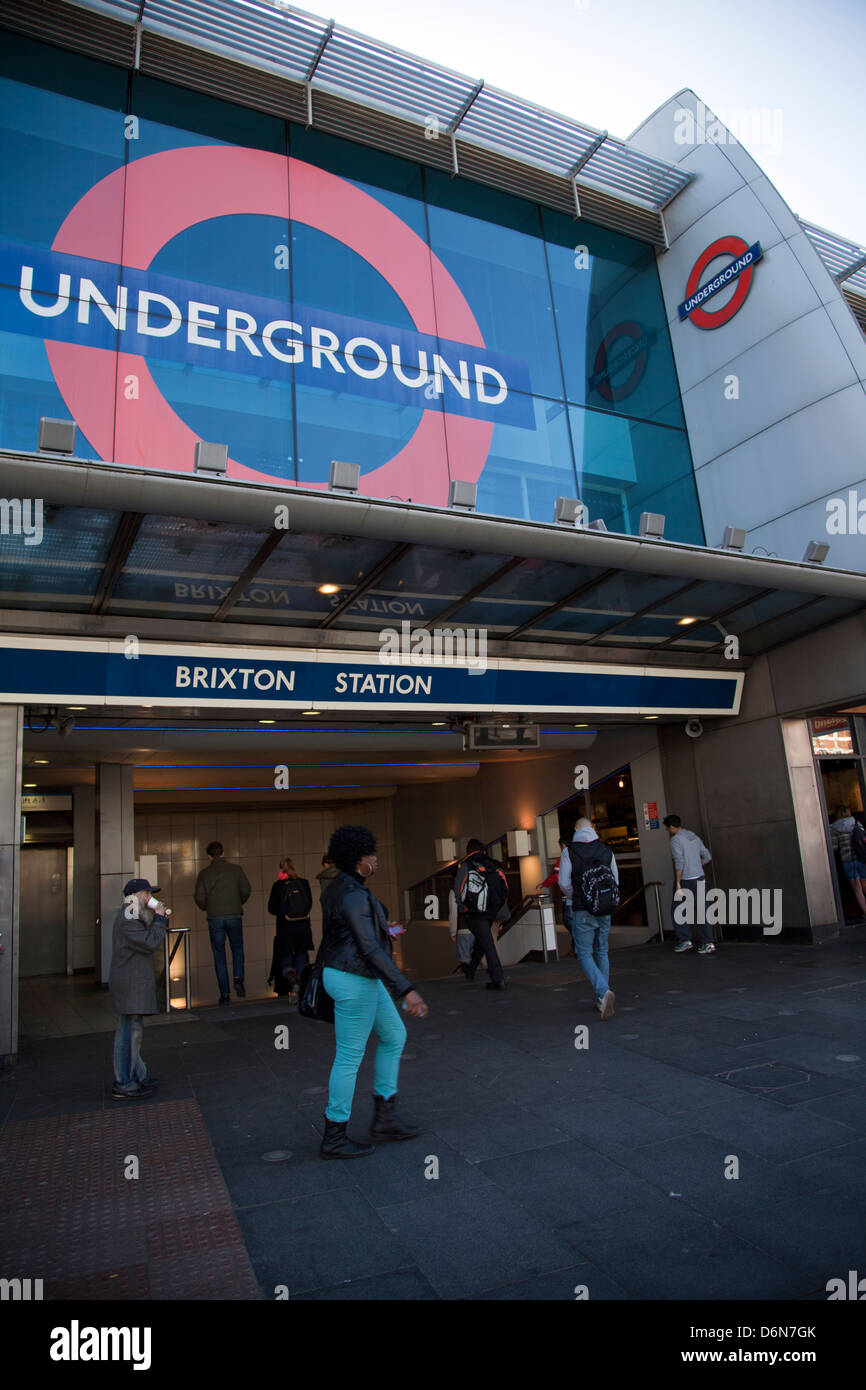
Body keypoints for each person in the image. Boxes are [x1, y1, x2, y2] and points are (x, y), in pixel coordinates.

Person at [319, 824, 428, 1158]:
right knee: (349, 1057)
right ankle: (334, 1136)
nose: (376, 860)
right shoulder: (352, 893)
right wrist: (406, 990)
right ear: (358, 859)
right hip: (354, 977)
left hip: (355, 974)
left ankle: (384, 1119)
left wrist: (387, 929)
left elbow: (357, 933)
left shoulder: (343, 888)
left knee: (394, 1035)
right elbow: (368, 947)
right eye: (372, 854)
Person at [108, 879, 170, 1100]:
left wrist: (157, 917)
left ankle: (137, 1075)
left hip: (131, 983)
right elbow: (149, 943)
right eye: (147, 894)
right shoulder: (129, 916)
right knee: (129, 1033)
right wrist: (161, 918)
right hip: (129, 984)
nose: (150, 898)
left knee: (132, 1031)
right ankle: (124, 1081)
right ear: (138, 895)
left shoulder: (132, 913)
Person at [558, 818, 618, 1020]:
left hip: (583, 909)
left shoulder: (569, 851)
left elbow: (563, 882)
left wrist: (574, 896)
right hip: (605, 908)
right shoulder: (606, 850)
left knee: (583, 952)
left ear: (575, 829)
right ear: (593, 828)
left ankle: (603, 992)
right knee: (602, 950)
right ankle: (602, 998)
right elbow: (615, 879)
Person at [193, 840, 252, 1003]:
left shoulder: (204, 874)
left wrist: (208, 907)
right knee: (237, 947)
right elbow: (246, 890)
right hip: (234, 914)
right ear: (223, 853)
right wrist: (237, 902)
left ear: (209, 856)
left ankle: (225, 993)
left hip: (215, 917)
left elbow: (199, 897)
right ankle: (238, 978)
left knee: (219, 954)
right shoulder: (236, 870)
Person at [453, 838, 510, 990]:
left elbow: (458, 892)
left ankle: (498, 979)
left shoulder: (466, 865)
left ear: (468, 851)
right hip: (491, 911)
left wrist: (462, 908)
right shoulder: (493, 864)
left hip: (473, 912)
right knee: (482, 939)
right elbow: (504, 887)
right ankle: (471, 971)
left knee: (486, 942)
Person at [663, 814, 714, 955]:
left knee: (677, 910)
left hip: (686, 879)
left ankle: (685, 940)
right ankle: (708, 942)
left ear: (672, 827)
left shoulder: (675, 840)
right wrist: (698, 865)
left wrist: (678, 882)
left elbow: (679, 862)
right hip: (700, 878)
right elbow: (707, 856)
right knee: (703, 910)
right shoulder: (694, 836)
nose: (668, 831)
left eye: (668, 829)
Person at [267, 857, 314, 1000]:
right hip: (303, 927)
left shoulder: (278, 886)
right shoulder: (304, 883)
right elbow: (309, 904)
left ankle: (292, 981)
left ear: (281, 869)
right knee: (301, 957)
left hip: (285, 927)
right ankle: (299, 987)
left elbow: (271, 908)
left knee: (285, 959)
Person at [829, 805, 866, 918]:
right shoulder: (856, 823)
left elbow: (834, 847)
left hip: (847, 860)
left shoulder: (833, 828)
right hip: (861, 858)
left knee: (857, 888)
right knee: (865, 885)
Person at [537, 835, 573, 952]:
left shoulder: (564, 856)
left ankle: (578, 947)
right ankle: (579, 947)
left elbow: (557, 876)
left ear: (563, 845)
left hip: (569, 895)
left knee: (569, 921)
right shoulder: (580, 854)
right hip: (581, 894)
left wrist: (544, 884)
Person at [448, 886, 475, 975]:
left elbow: (453, 913)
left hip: (463, 928)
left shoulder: (455, 890)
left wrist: (453, 931)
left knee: (465, 959)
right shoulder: (476, 884)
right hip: (478, 928)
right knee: (478, 957)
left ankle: (470, 979)